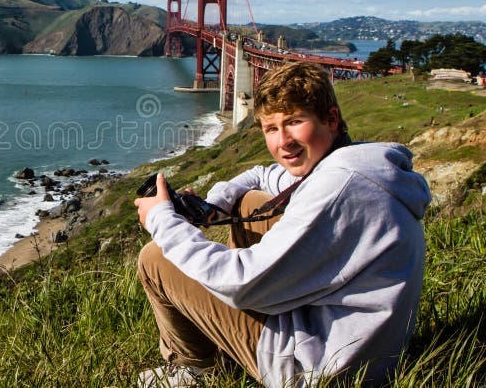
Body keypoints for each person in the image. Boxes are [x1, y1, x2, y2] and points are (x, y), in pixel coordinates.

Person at [134, 61, 430, 387]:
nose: (283, 141)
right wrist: (215, 205)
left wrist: (162, 218)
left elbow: (240, 283)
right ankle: (234, 337)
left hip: (320, 370)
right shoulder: (355, 163)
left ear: (331, 119)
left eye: (294, 122)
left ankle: (198, 370)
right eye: (271, 128)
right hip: (363, 348)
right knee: (251, 203)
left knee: (155, 259)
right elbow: (262, 175)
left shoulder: (336, 190)